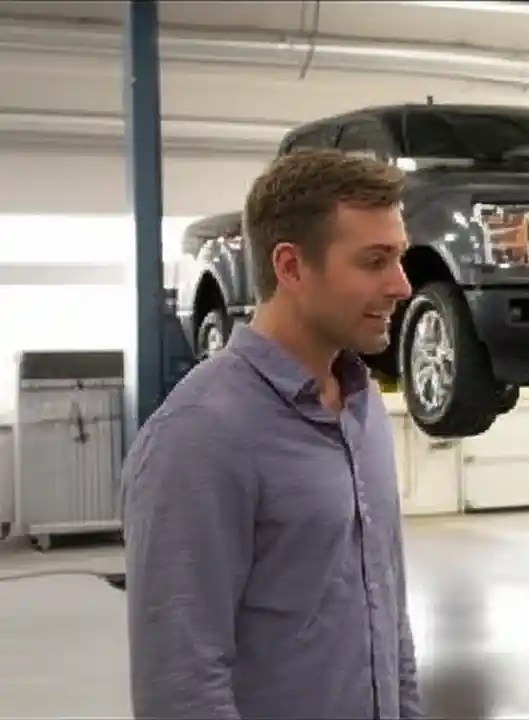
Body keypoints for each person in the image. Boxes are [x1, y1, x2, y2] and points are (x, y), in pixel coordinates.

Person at [121, 149, 421, 719]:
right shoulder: (200, 435)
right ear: (290, 267)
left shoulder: (363, 408)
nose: (401, 285)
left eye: (399, 258)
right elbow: (181, 685)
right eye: (374, 261)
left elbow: (390, 617)